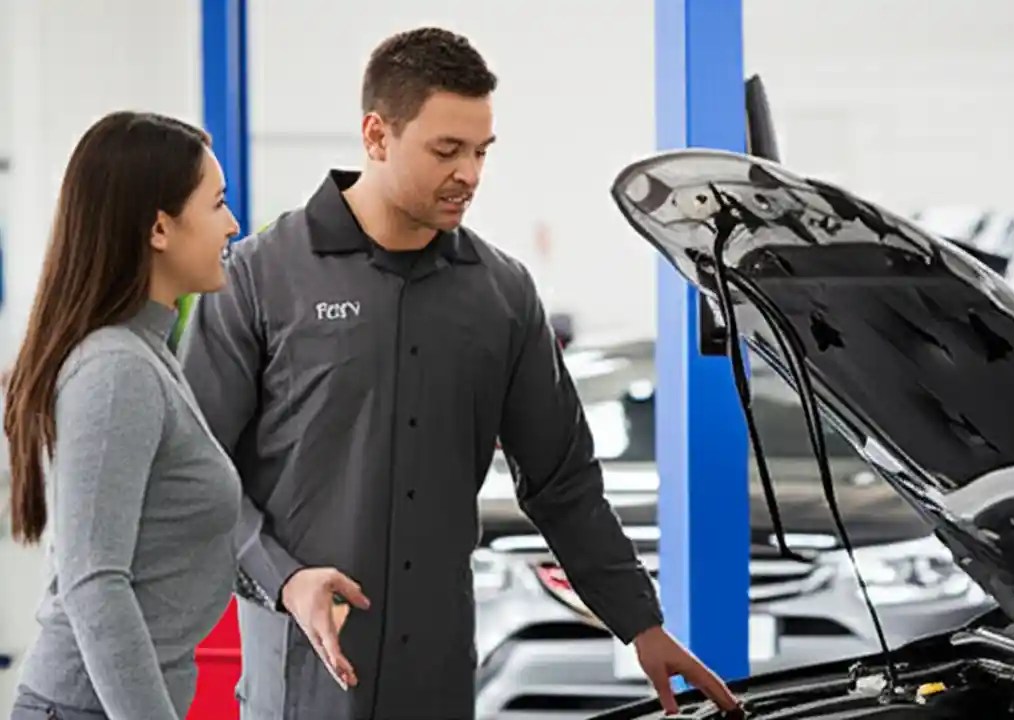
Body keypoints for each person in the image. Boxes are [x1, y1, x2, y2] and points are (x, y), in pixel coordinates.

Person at [178, 26, 739, 720]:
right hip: (302, 683)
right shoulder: (261, 278)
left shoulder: (500, 294)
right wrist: (283, 579)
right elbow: (196, 476)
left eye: (480, 151)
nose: (470, 173)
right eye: (447, 151)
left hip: (438, 683)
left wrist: (641, 624)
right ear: (377, 136)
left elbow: (562, 482)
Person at [5, 111, 243, 719]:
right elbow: (95, 582)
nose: (233, 226)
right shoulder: (116, 368)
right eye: (217, 205)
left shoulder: (146, 355)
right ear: (160, 228)